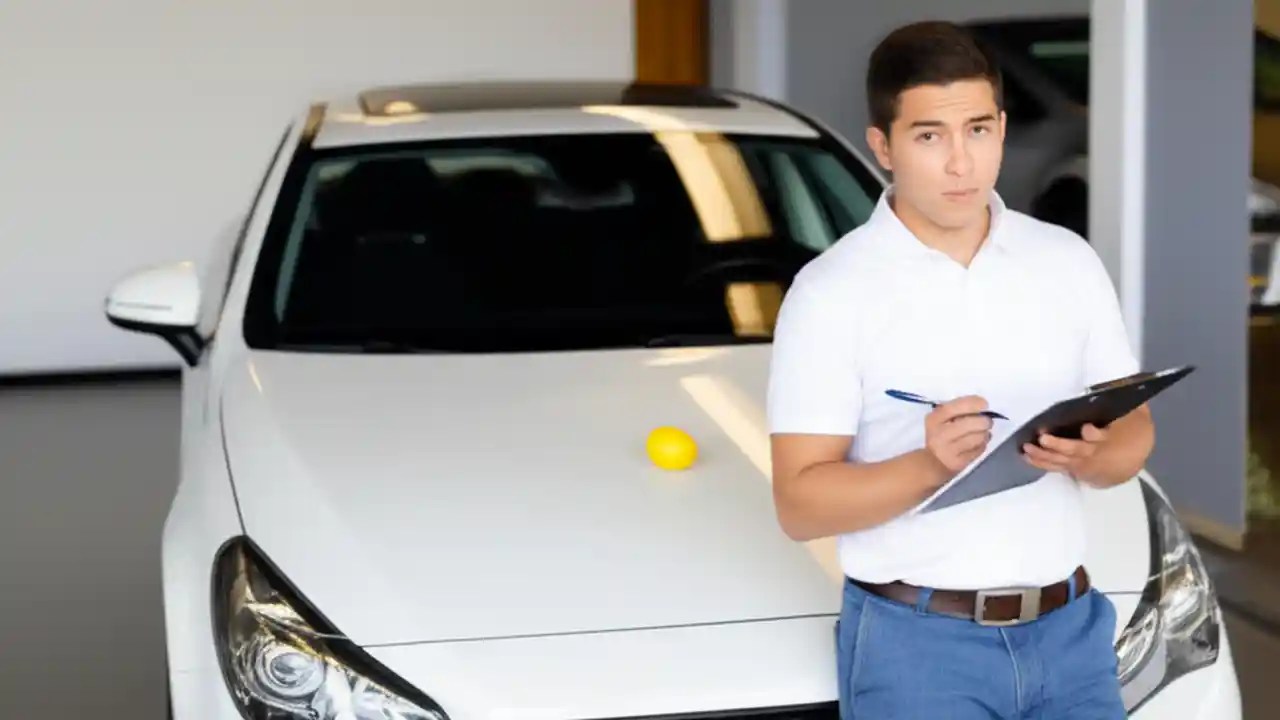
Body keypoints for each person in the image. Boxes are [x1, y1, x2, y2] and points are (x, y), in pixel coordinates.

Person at [766, 20, 1156, 720]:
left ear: (1002, 130)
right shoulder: (831, 292)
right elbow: (800, 505)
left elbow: (1134, 437)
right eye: (929, 136)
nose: (960, 164)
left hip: (1073, 636)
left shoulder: (1066, 260)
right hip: (916, 650)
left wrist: (1095, 455)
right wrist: (928, 465)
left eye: (977, 131)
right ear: (882, 145)